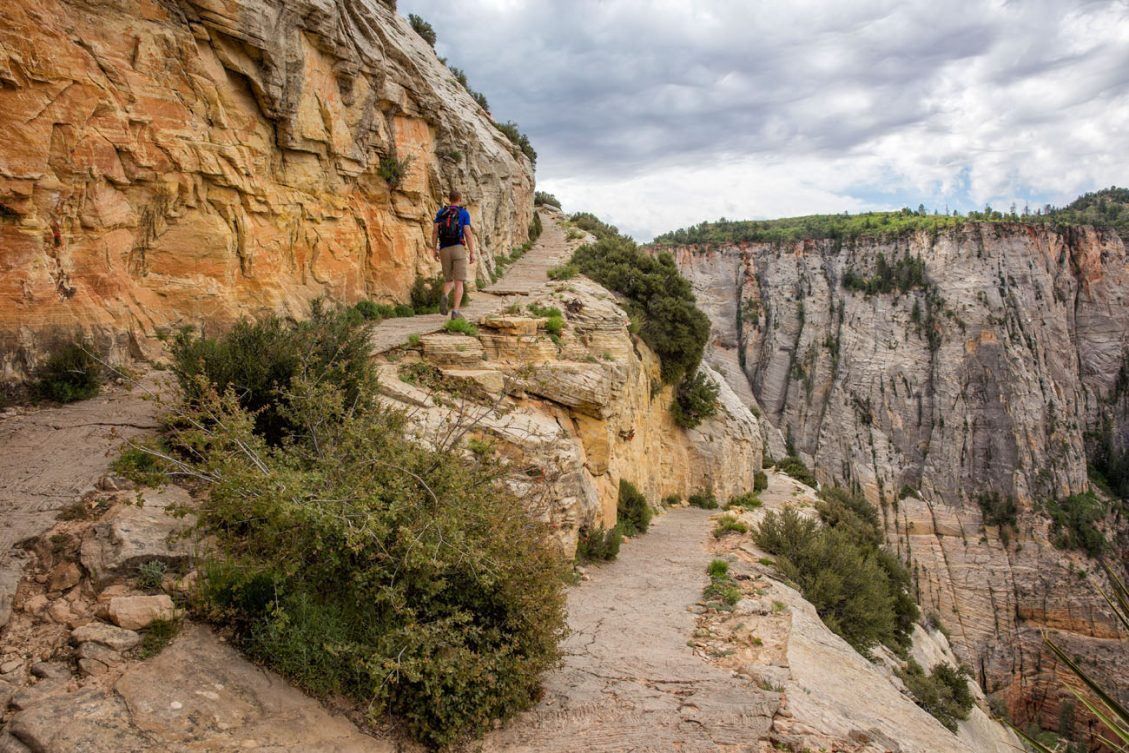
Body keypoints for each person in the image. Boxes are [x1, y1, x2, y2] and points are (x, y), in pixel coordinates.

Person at [432, 190, 476, 319]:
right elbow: (467, 232)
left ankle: (445, 295)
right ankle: (455, 312)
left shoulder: (441, 212)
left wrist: (434, 249)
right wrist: (472, 252)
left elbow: (435, 231)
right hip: (458, 248)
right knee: (459, 282)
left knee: (448, 279)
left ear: (449, 199)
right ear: (460, 199)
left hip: (444, 249)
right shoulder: (463, 213)